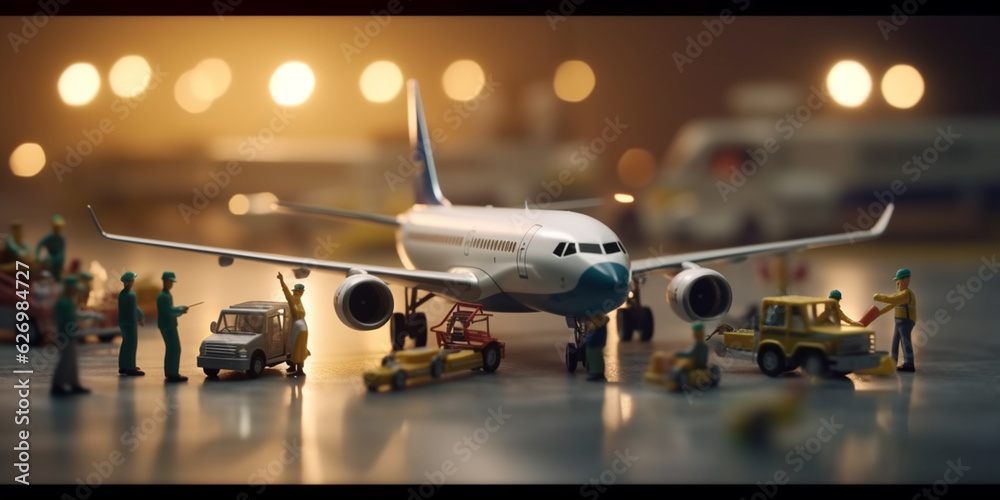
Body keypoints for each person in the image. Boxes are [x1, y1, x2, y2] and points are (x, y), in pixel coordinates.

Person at [52, 276, 90, 395]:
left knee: (71, 361)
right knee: (65, 361)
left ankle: (73, 384)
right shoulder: (65, 302)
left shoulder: (67, 301)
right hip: (66, 335)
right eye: (74, 289)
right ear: (69, 288)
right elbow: (67, 319)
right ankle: (58, 385)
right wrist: (76, 324)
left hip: (68, 335)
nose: (76, 291)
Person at [874, 268, 917, 372]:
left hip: (906, 321)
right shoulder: (900, 293)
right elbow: (892, 304)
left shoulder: (906, 294)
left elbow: (891, 299)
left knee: (905, 342)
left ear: (907, 280)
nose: (898, 283)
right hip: (898, 321)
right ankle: (893, 361)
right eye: (897, 281)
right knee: (895, 342)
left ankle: (909, 364)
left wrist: (878, 297)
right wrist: (879, 313)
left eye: (900, 280)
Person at [157, 271, 189, 382]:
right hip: (168, 325)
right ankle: (172, 373)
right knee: (174, 348)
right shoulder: (163, 297)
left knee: (171, 348)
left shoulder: (165, 295)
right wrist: (180, 309)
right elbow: (169, 311)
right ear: (165, 281)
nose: (171, 284)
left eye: (172, 282)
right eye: (170, 281)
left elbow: (170, 310)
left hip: (167, 324)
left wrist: (179, 310)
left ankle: (170, 372)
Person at [278, 272, 310, 377]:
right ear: (294, 292)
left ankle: (299, 369)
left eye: (301, 292)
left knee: (299, 347)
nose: (299, 294)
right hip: (297, 327)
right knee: (295, 347)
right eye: (297, 292)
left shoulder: (299, 302)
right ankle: (294, 366)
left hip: (302, 328)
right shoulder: (292, 300)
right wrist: (282, 281)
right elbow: (286, 292)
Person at [118, 271, 145, 376]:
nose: (133, 281)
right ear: (128, 282)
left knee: (125, 343)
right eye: (132, 280)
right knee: (132, 344)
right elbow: (135, 309)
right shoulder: (131, 295)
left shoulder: (122, 294)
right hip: (130, 323)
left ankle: (123, 365)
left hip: (122, 322)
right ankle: (130, 367)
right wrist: (141, 317)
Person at [35, 214, 67, 281]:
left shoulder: (62, 239)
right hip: (50, 258)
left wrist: (59, 258)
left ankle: (57, 279)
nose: (57, 229)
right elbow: (40, 244)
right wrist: (38, 256)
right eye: (56, 227)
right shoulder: (49, 237)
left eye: (59, 227)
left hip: (58, 260)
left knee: (58, 269)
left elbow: (62, 251)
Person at [583, 312, 609, 381]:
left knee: (595, 355)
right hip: (595, 344)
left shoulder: (597, 326)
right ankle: (597, 373)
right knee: (595, 355)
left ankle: (597, 373)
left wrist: (588, 340)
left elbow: (594, 337)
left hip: (594, 345)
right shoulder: (599, 326)